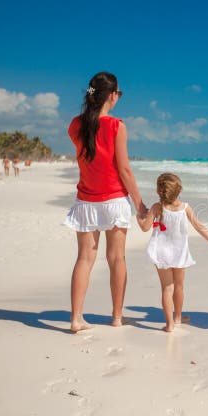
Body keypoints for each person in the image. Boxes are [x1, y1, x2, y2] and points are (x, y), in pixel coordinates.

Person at [62, 72, 146, 333]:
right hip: (113, 200)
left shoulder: (75, 125)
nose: (118, 97)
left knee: (84, 259)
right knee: (116, 258)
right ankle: (117, 317)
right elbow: (124, 170)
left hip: (86, 200)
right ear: (111, 95)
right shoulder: (116, 126)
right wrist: (141, 205)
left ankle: (76, 318)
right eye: (118, 93)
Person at [138, 173, 208, 332]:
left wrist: (139, 216)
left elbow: (144, 227)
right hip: (179, 252)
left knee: (166, 289)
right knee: (179, 286)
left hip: (161, 252)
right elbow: (199, 227)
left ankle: (169, 324)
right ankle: (177, 318)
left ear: (159, 191)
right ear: (180, 190)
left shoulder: (157, 207)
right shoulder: (185, 208)